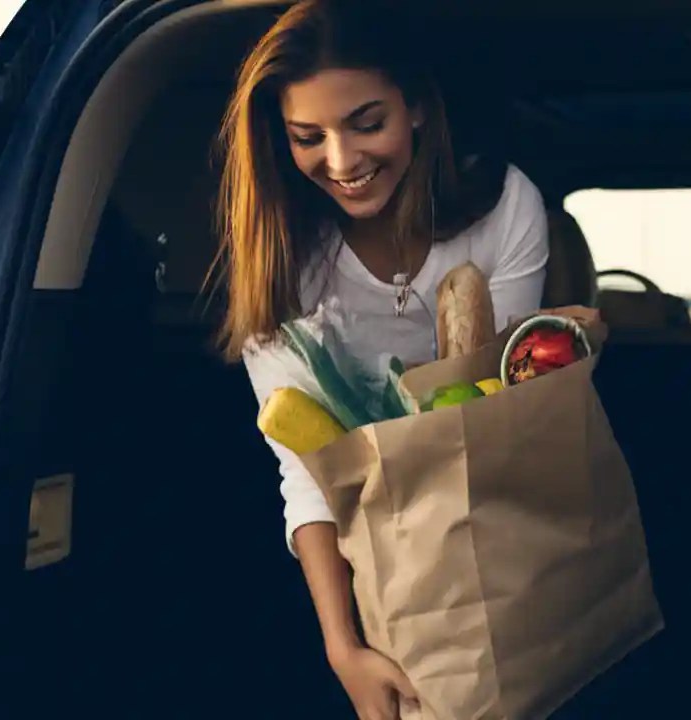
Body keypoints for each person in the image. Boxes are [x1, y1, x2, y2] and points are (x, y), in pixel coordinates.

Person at [211, 1, 594, 717]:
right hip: (363, 567)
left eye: (366, 123)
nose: (342, 161)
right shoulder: (282, 259)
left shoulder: (504, 209)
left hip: (502, 534)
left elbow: (498, 414)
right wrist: (343, 648)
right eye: (307, 136)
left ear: (416, 108)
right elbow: (306, 471)